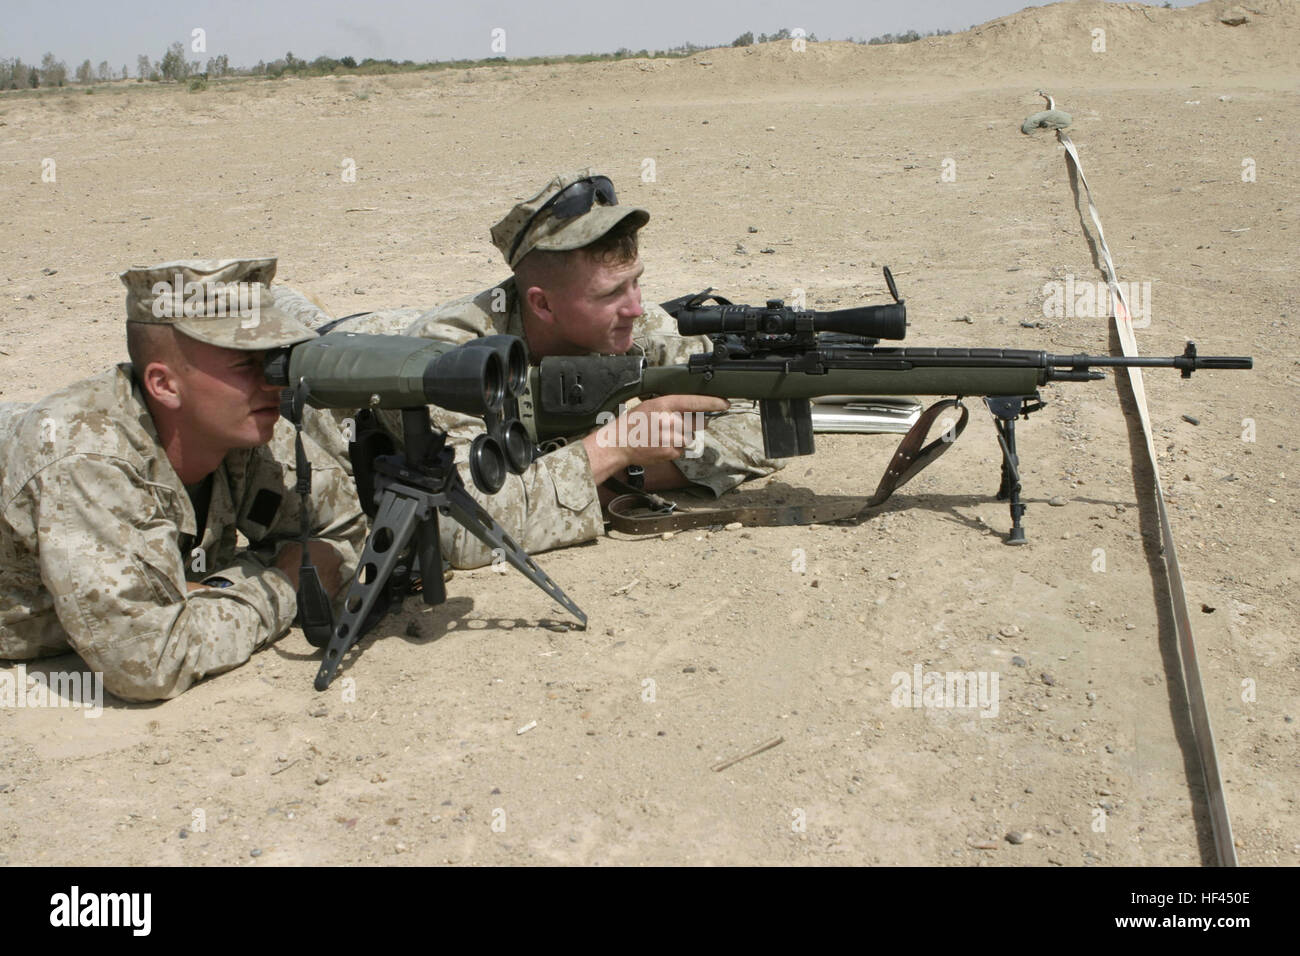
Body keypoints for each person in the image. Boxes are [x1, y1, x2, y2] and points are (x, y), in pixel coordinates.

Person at [273, 170, 783, 568]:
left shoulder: (637, 322)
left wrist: (623, 475)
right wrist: (613, 448)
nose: (636, 307)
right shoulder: (447, 355)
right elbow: (463, 530)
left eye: (636, 282)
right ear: (541, 305)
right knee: (261, 314)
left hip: (392, 323)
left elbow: (756, 428)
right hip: (324, 359)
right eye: (610, 294)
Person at [0, 258, 366, 701]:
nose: (274, 383)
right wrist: (284, 586)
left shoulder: (241, 426)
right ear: (164, 385)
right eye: (246, 365)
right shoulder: (84, 459)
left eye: (274, 361)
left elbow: (343, 530)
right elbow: (148, 661)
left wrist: (219, 589)